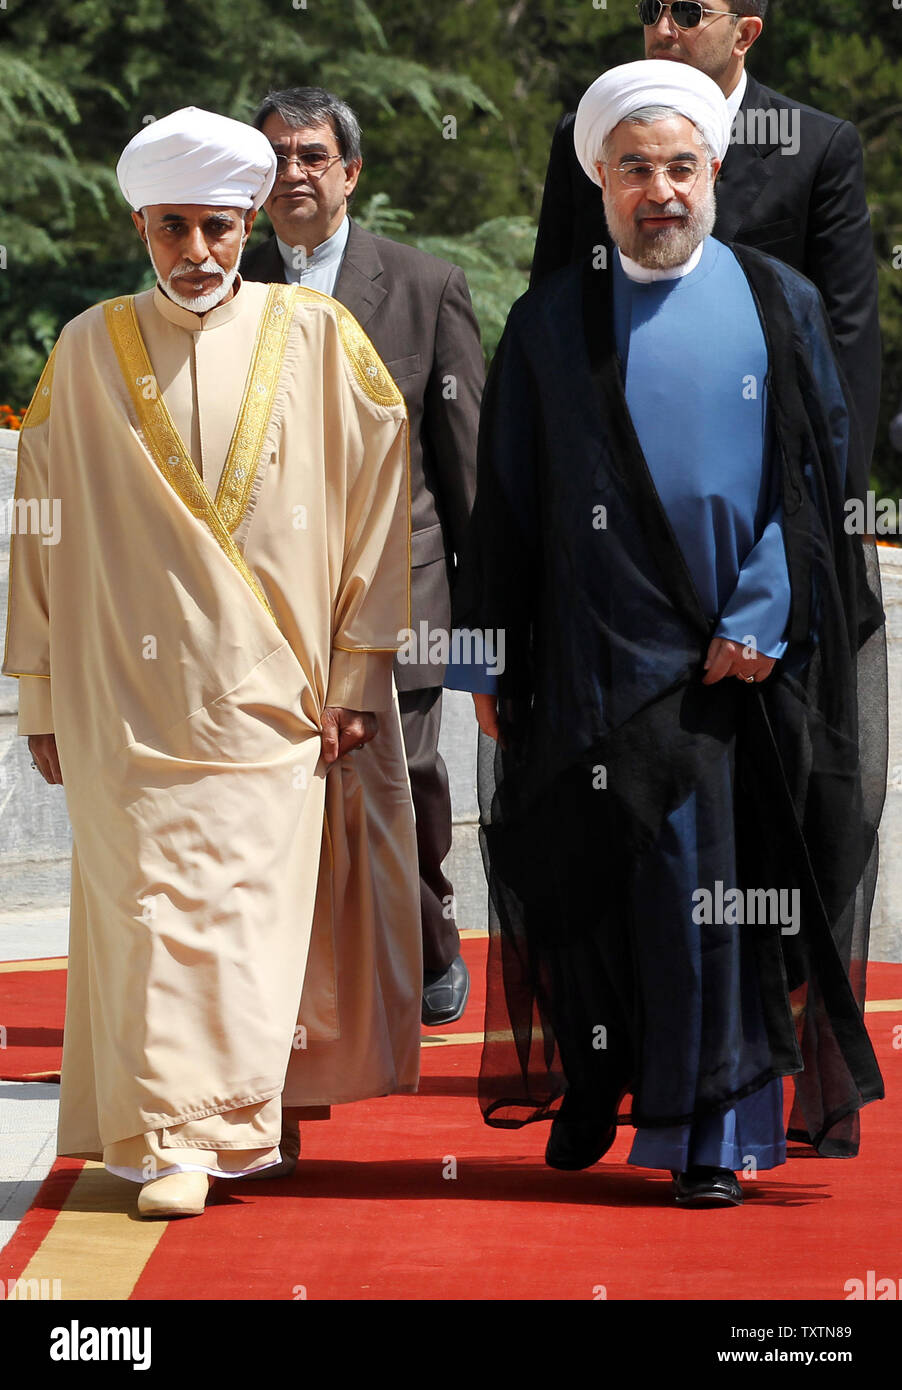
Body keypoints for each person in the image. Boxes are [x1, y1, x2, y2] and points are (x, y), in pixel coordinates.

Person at [450, 60, 886, 1207]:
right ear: (598, 180)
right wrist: (483, 657)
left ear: (714, 172)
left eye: (680, 167)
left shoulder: (777, 300)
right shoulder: (546, 321)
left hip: (738, 666)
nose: (660, 190)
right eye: (633, 168)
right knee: (588, 883)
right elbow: (504, 501)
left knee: (710, 898)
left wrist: (760, 613)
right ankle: (606, 1079)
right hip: (595, 659)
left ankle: (710, 1139)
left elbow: (817, 483)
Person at [2, 106, 419, 1218]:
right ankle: (168, 1140)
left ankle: (225, 1122)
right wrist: (37, 690)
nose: (196, 254)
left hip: (268, 702)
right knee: (145, 917)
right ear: (140, 223)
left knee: (241, 922)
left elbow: (381, 499)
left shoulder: (317, 334)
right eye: (173, 229)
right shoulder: (87, 346)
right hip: (120, 704)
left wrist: (354, 671)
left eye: (219, 229)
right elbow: (36, 523)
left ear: (250, 223)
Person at [241, 87, 485, 1027]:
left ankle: (430, 944)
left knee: (407, 781)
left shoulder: (426, 287)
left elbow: (464, 469)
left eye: (312, 156)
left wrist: (487, 620)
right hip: (266, 604)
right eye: (276, 159)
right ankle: (292, 973)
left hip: (399, 591)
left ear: (351, 173)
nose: (294, 173)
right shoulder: (228, 282)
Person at [531, 0, 882, 478]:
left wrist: (841, 500)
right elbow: (550, 303)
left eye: (688, 13)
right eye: (650, 8)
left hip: (761, 466)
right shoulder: (588, 135)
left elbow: (848, 340)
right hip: (605, 459)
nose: (662, 29)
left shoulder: (818, 147)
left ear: (745, 34)